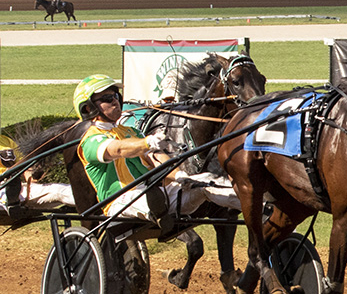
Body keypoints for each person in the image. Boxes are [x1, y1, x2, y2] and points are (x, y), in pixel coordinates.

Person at [73, 74, 239, 228]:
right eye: (107, 99)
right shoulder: (90, 140)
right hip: (120, 203)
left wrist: (179, 175)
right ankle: (158, 212)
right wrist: (147, 142)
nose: (115, 101)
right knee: (148, 196)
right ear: (88, 108)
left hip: (154, 193)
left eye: (116, 96)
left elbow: (156, 157)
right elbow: (118, 149)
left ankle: (250, 204)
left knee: (206, 180)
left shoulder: (131, 132)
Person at [0, 135, 76, 217]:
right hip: (4, 189)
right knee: (11, 185)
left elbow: (26, 170)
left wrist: (35, 171)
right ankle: (11, 202)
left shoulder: (6, 141)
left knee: (60, 190)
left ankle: (86, 201)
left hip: (16, 188)